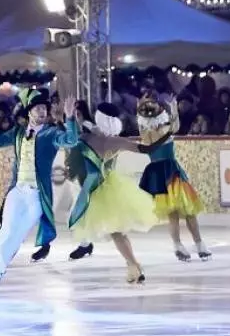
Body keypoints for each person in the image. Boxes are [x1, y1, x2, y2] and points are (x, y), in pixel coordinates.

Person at [0, 88, 79, 292]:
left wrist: (71, 118)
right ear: (29, 111)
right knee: (7, 230)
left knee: (18, 235)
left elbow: (71, 140)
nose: (42, 111)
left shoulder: (52, 133)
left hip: (38, 195)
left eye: (44, 108)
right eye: (37, 108)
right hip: (18, 191)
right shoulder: (19, 133)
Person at [66, 103, 160, 283]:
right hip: (112, 188)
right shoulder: (115, 141)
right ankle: (133, 266)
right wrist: (164, 136)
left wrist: (71, 119)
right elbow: (146, 149)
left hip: (96, 191)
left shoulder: (86, 138)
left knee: (117, 232)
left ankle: (134, 266)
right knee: (118, 232)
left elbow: (72, 141)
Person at [136, 94, 211, 261]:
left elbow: (143, 121)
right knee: (188, 211)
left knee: (173, 214)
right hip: (171, 172)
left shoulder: (144, 133)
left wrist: (139, 108)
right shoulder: (165, 130)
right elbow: (176, 125)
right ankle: (198, 244)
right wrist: (174, 107)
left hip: (157, 173)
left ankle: (178, 245)